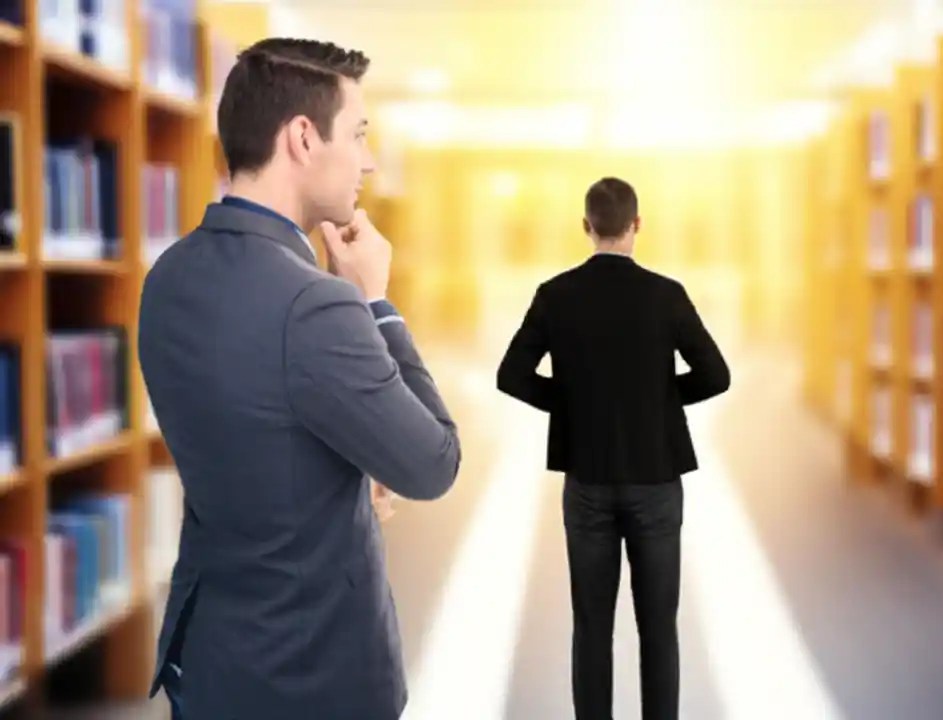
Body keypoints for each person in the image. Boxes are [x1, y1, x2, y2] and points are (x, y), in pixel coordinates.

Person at [138, 38, 461, 720]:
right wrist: (375, 300)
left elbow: (247, 432)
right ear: (304, 139)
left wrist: (341, 479)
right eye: (360, 135)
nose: (369, 161)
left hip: (209, 665)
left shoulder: (168, 277)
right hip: (309, 680)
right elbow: (433, 462)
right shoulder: (318, 303)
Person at [497, 177, 730, 719]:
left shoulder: (555, 295)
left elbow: (512, 375)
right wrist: (659, 403)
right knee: (658, 631)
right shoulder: (666, 295)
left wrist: (573, 404)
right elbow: (715, 375)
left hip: (587, 484)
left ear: (587, 227)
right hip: (656, 481)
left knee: (592, 630)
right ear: (637, 225)